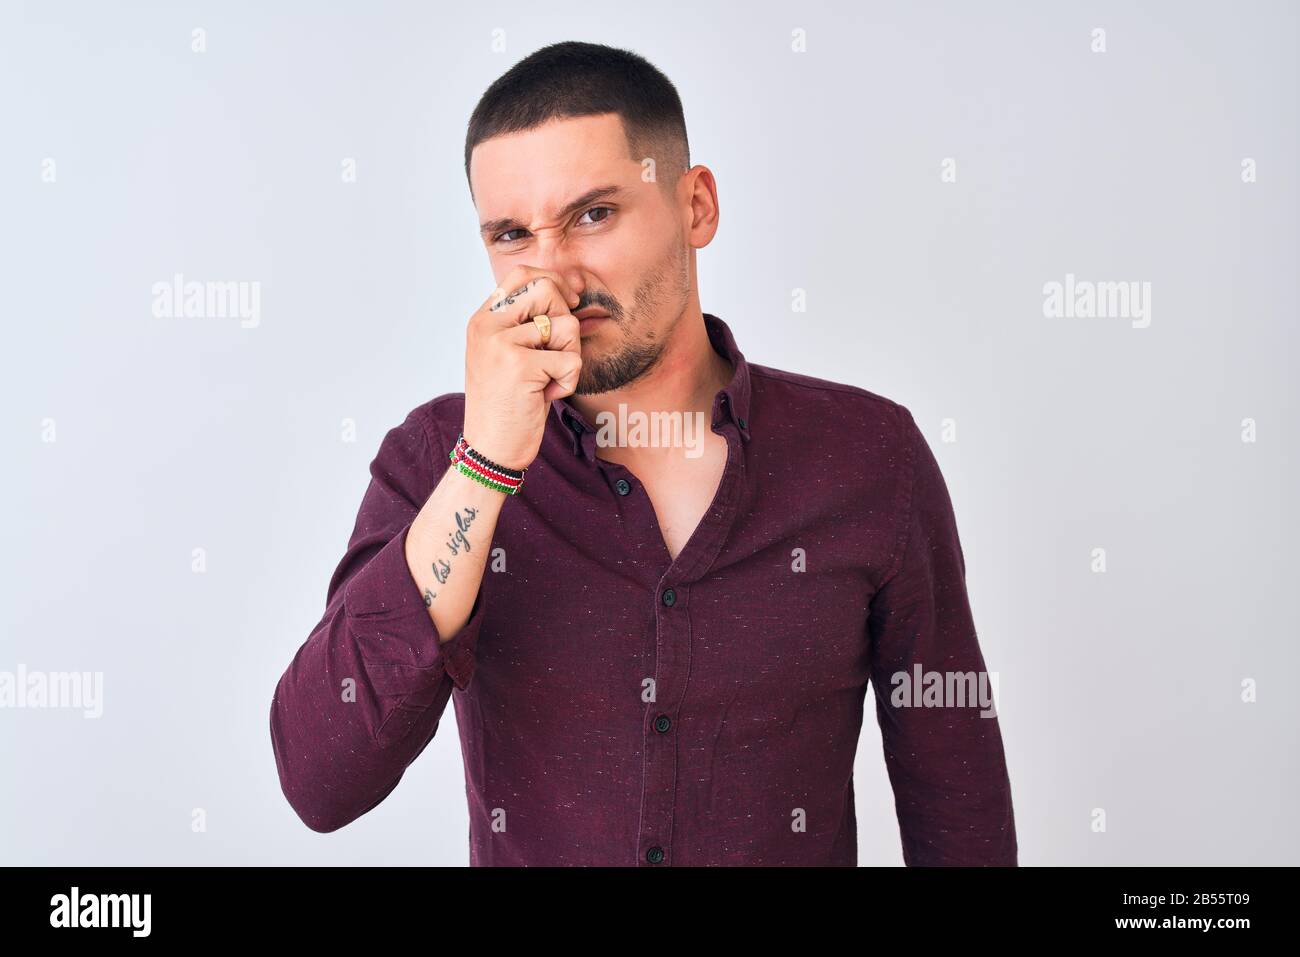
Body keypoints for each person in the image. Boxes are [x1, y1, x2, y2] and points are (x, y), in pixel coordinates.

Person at [269, 40, 1017, 866]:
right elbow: (320, 778)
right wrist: (484, 465)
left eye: (594, 214)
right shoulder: (435, 460)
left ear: (695, 206)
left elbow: (957, 795)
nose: (554, 275)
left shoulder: (871, 457)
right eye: (514, 234)